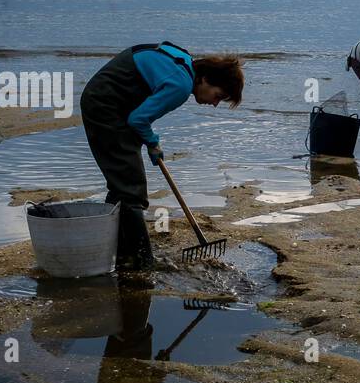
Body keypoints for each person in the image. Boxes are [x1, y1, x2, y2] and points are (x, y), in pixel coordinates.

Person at [80, 43, 243, 269]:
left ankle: (117, 253)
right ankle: (141, 261)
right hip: (105, 107)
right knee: (131, 192)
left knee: (123, 188)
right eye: (219, 96)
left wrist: (147, 141)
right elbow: (138, 119)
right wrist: (153, 142)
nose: (215, 104)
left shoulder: (184, 63)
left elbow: (140, 111)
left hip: (111, 102)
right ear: (205, 79)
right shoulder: (181, 85)